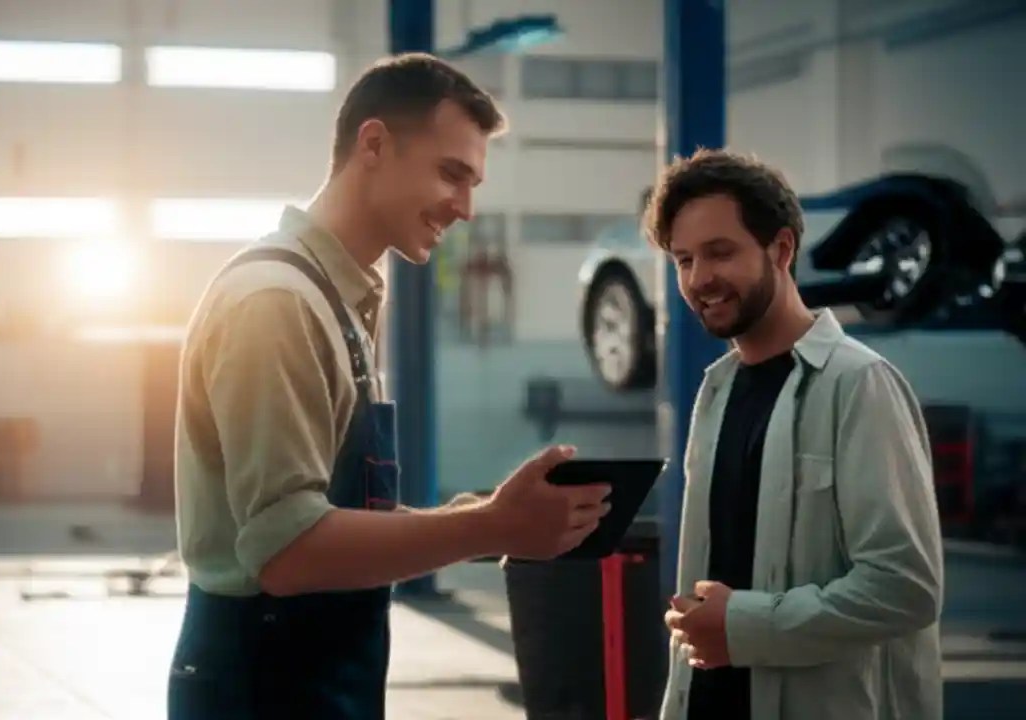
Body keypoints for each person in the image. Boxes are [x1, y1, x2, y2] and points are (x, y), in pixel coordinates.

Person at [167, 53, 612, 720]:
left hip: (314, 679)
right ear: (374, 144)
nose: (464, 209)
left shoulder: (336, 301)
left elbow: (338, 522)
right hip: (259, 687)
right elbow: (287, 551)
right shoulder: (275, 303)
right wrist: (486, 526)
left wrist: (479, 520)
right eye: (450, 174)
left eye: (473, 184)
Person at [650, 149, 944, 720]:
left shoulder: (860, 385)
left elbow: (905, 588)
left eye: (719, 252)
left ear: (781, 250)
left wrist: (744, 625)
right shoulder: (716, 392)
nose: (698, 279)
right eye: (683, 260)